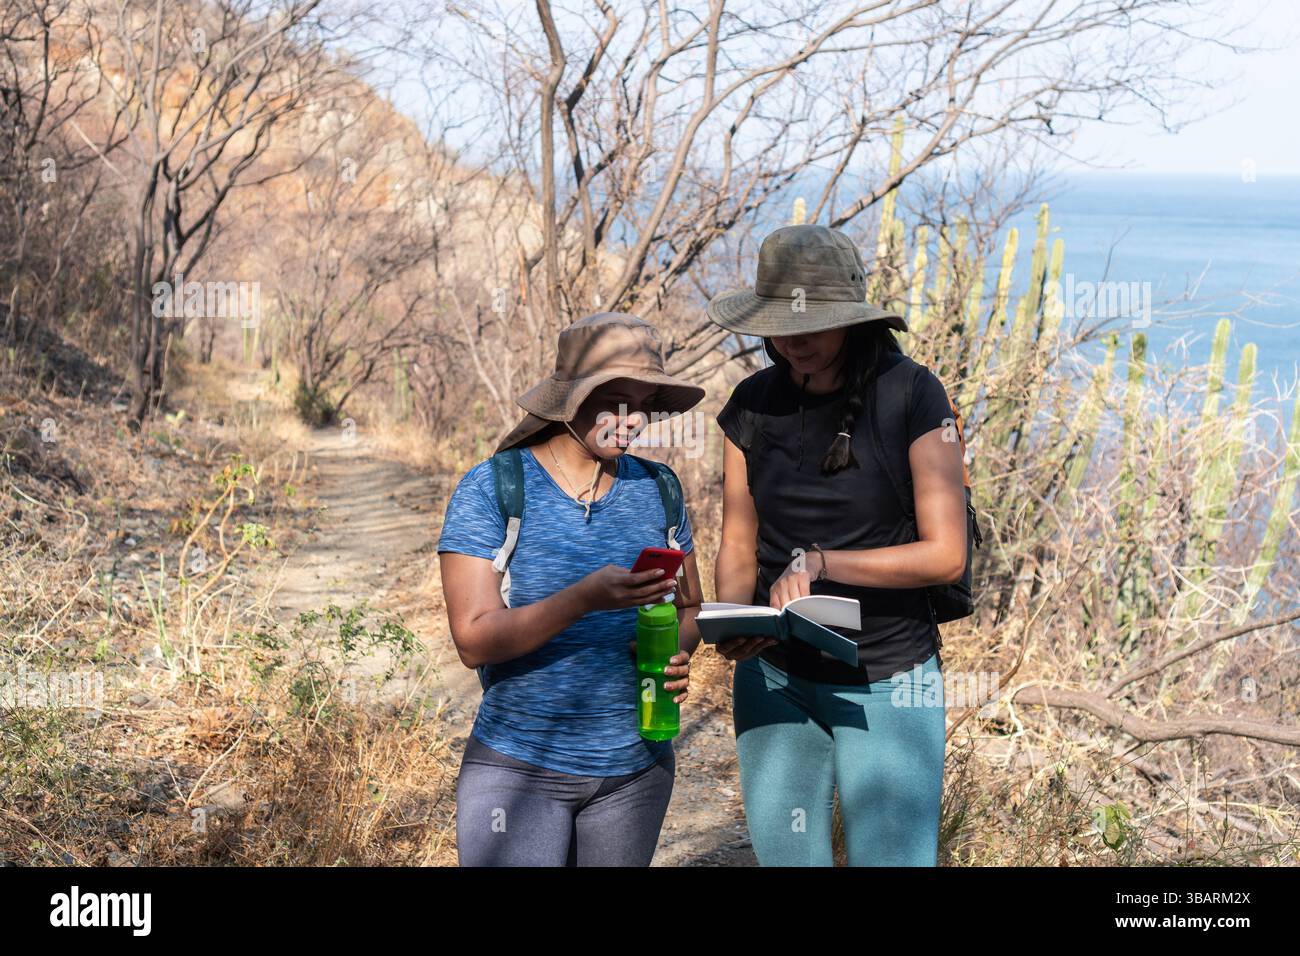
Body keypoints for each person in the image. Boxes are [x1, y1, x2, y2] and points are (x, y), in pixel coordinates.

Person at [707, 224, 968, 866]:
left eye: (814, 326)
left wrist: (822, 564)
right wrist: (734, 620)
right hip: (774, 679)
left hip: (888, 681)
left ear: (853, 320)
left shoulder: (912, 395)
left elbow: (946, 554)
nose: (794, 343)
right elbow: (738, 538)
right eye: (781, 329)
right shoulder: (752, 404)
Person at [436, 311, 707, 866]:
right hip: (518, 769)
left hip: (638, 770)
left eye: (645, 404)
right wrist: (583, 598)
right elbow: (473, 640)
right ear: (570, 399)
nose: (632, 421)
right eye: (616, 402)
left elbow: (691, 605)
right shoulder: (495, 487)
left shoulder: (660, 489)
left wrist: (678, 649)